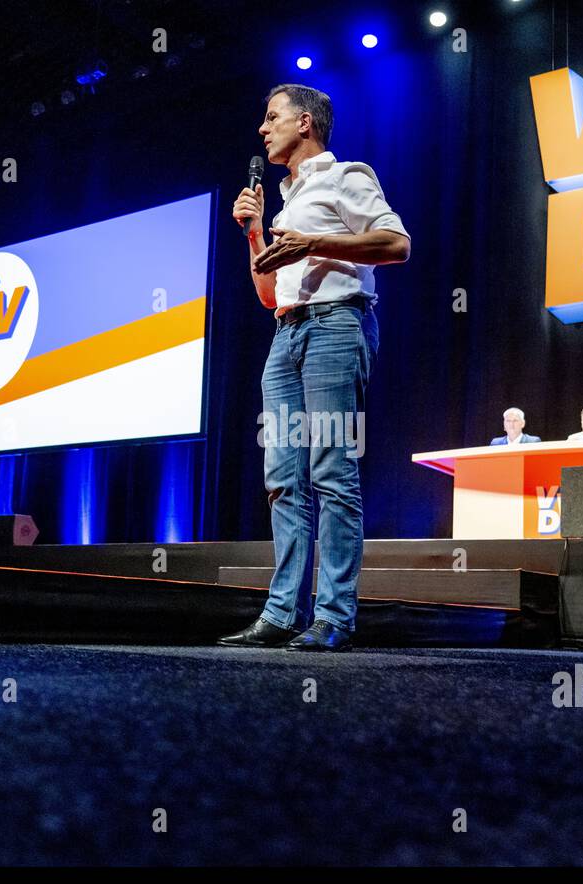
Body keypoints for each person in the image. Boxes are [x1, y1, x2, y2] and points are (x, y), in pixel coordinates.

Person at [218, 83, 410, 653]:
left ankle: (333, 617)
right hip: (286, 334)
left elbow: (398, 244)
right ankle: (281, 614)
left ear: (305, 122)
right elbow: (266, 293)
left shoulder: (347, 174)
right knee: (283, 480)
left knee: (331, 472)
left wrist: (314, 243)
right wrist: (254, 234)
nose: (262, 127)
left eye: (271, 116)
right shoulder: (283, 199)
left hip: (336, 326)